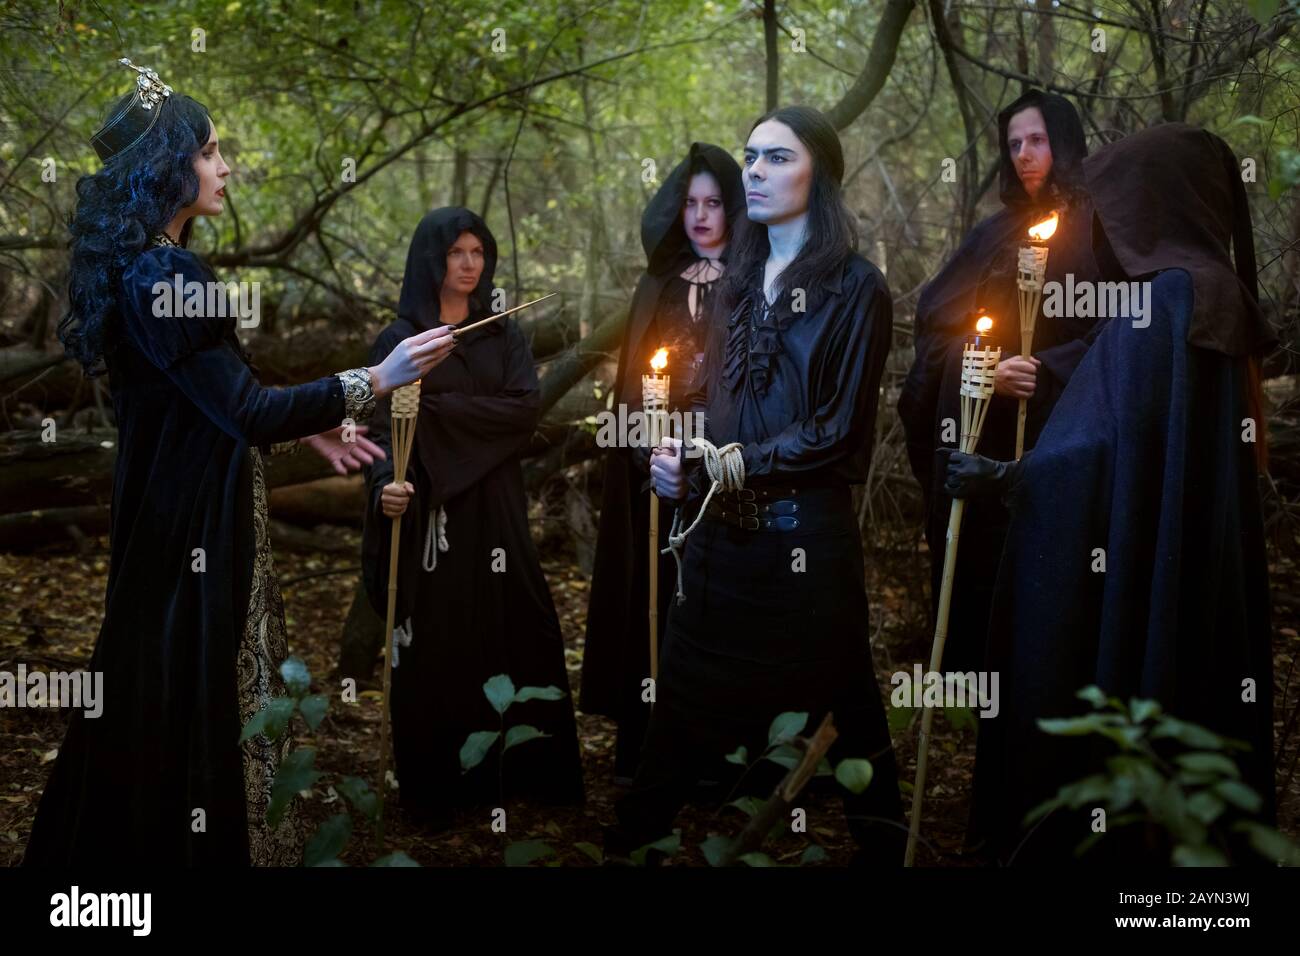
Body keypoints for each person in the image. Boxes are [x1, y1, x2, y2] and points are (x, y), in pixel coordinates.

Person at [24, 59, 453, 866]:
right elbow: (245, 409)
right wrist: (374, 381)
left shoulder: (152, 267)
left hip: (169, 510)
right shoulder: (163, 274)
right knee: (179, 686)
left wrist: (313, 427)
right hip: (184, 521)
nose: (224, 167)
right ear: (166, 167)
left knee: (157, 682)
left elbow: (217, 398)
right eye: (210, 150)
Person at [946, 123, 1277, 864]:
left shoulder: (1163, 302)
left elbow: (1097, 454)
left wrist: (1007, 478)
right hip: (1189, 583)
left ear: (1145, 205)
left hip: (1132, 569)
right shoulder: (1210, 292)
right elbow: (1136, 422)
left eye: (1108, 205)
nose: (1096, 223)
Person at [607, 106, 903, 862]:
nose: (756, 173)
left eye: (777, 158)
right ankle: (630, 849)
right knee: (678, 707)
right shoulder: (735, 280)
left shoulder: (857, 290)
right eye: (751, 158)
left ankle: (885, 853)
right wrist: (681, 456)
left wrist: (722, 465)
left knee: (852, 715)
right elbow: (717, 401)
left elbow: (836, 432)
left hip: (808, 544)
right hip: (717, 539)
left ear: (820, 176)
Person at [360, 207, 584, 830]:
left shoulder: (500, 335)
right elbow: (381, 429)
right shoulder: (399, 340)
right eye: (456, 252)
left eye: (478, 253)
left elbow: (522, 411)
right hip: (431, 512)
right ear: (431, 259)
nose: (468, 264)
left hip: (498, 511)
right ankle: (439, 787)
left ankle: (527, 776)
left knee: (523, 628)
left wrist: (435, 411)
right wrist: (385, 487)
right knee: (439, 641)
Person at [897, 90, 1103, 673]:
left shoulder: (1102, 229)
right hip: (982, 434)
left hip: (1065, 434)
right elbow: (936, 328)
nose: (1024, 154)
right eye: (1013, 143)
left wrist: (1047, 369)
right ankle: (972, 692)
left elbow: (1119, 333)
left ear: (1063, 142)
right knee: (981, 570)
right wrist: (983, 365)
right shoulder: (992, 234)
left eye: (1036, 139)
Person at [582, 142, 745, 783]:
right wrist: (648, 448)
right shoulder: (657, 286)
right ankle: (647, 750)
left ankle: (714, 762)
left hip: (724, 469)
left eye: (713, 203)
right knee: (656, 596)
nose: (701, 216)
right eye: (689, 204)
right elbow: (631, 387)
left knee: (714, 602)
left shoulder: (754, 278)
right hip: (656, 464)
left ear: (733, 208)